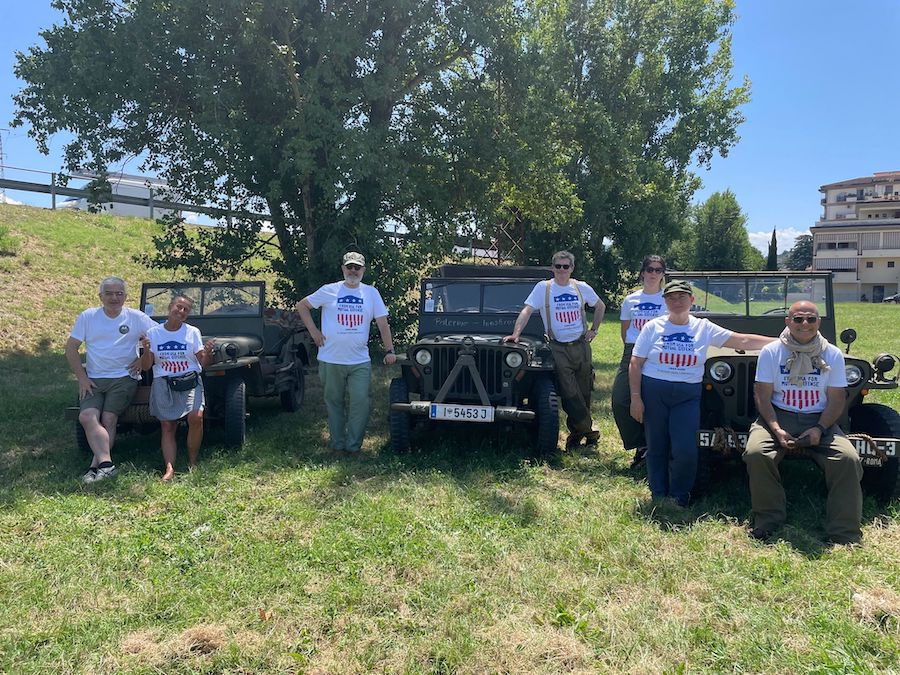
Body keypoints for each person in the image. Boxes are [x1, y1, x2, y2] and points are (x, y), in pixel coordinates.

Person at [629, 280, 775, 507]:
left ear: (692, 300)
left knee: (685, 448)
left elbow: (741, 340)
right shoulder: (653, 327)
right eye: (671, 297)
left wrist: (781, 342)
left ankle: (679, 496)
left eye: (682, 297)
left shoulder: (703, 327)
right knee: (657, 445)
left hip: (687, 394)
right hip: (655, 390)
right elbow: (636, 363)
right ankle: (658, 493)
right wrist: (636, 398)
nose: (677, 301)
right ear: (665, 301)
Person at [743, 301, 863, 544]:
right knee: (756, 453)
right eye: (798, 319)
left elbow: (836, 399)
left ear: (819, 322)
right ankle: (768, 521)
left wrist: (820, 428)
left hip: (819, 418)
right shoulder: (772, 352)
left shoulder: (832, 354)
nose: (804, 324)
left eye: (811, 319)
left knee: (848, 459)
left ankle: (844, 532)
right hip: (778, 415)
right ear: (787, 321)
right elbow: (762, 396)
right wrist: (776, 429)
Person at [296, 251, 397, 454]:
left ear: (363, 270)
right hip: (330, 359)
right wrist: (314, 332)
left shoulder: (371, 293)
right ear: (343, 269)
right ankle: (337, 445)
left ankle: (353, 447)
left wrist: (390, 350)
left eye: (357, 267)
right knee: (334, 403)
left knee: (360, 402)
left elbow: (383, 324)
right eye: (349, 267)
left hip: (359, 360)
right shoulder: (329, 290)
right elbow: (302, 306)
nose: (353, 271)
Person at [504, 250, 605, 451]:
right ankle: (590, 432)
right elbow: (527, 310)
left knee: (584, 392)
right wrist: (516, 334)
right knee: (569, 393)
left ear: (572, 268)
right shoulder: (544, 288)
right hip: (557, 347)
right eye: (558, 266)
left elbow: (600, 306)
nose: (561, 270)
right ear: (552, 268)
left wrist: (594, 330)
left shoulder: (581, 287)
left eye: (565, 266)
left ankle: (576, 437)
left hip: (582, 346)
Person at [65, 276, 156, 483]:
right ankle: (106, 465)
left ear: (125, 297)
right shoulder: (88, 316)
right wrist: (82, 378)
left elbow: (159, 336)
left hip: (124, 377)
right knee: (86, 417)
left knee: (108, 419)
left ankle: (95, 468)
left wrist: (142, 358)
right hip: (93, 379)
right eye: (109, 294)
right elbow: (71, 348)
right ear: (101, 296)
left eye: (119, 293)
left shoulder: (136, 317)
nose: (114, 298)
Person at [141, 294, 216, 481]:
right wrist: (147, 350)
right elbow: (146, 366)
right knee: (168, 425)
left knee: (196, 417)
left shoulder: (192, 332)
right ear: (170, 307)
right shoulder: (154, 333)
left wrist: (208, 353)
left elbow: (203, 363)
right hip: (164, 381)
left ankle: (192, 462)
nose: (181, 311)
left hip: (189, 380)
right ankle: (169, 468)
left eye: (186, 310)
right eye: (178, 307)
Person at [612, 255, 667, 467]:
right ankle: (640, 443)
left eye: (658, 270)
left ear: (663, 274)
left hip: (660, 353)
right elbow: (625, 331)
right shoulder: (631, 300)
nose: (653, 273)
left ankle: (653, 448)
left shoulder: (668, 299)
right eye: (650, 269)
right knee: (620, 399)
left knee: (653, 401)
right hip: (633, 352)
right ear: (643, 272)